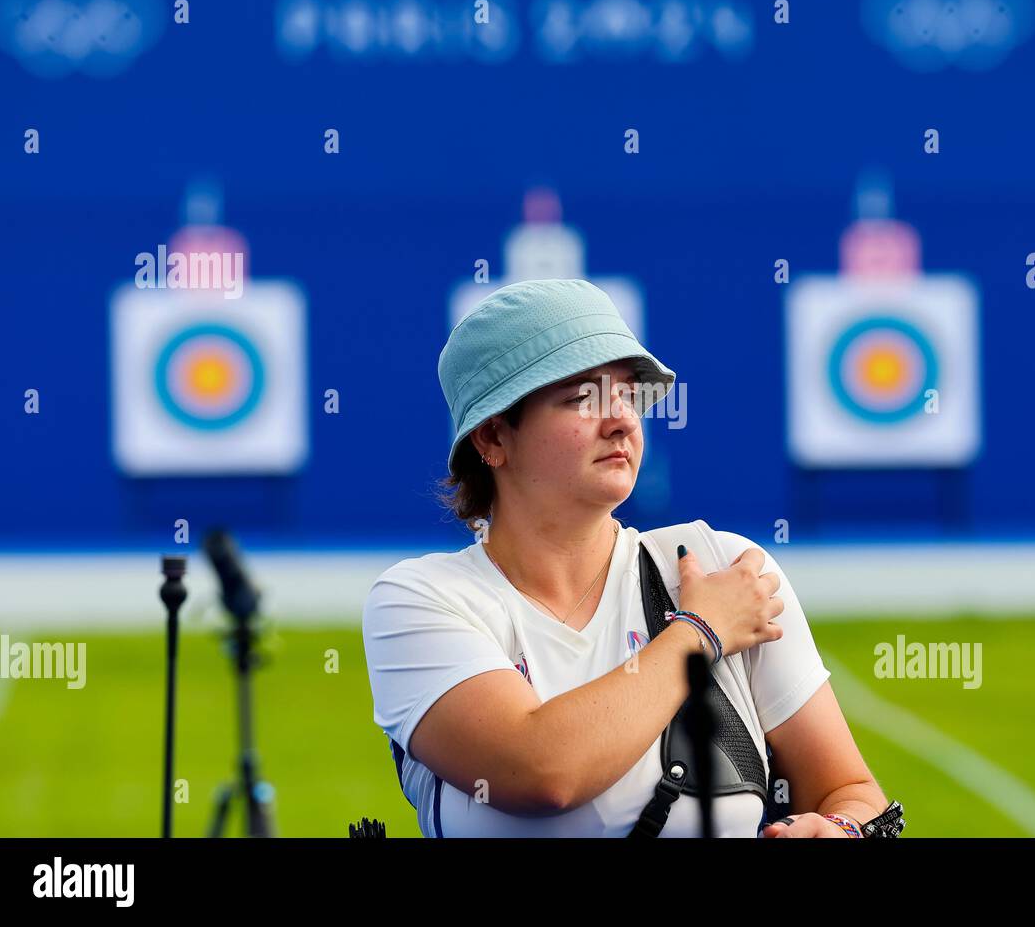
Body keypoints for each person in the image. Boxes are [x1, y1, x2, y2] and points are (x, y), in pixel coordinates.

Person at [362, 277, 892, 837]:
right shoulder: (421, 600)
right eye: (581, 399)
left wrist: (842, 828)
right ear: (493, 439)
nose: (621, 420)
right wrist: (700, 632)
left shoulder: (722, 564)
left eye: (627, 396)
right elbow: (541, 771)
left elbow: (854, 795)